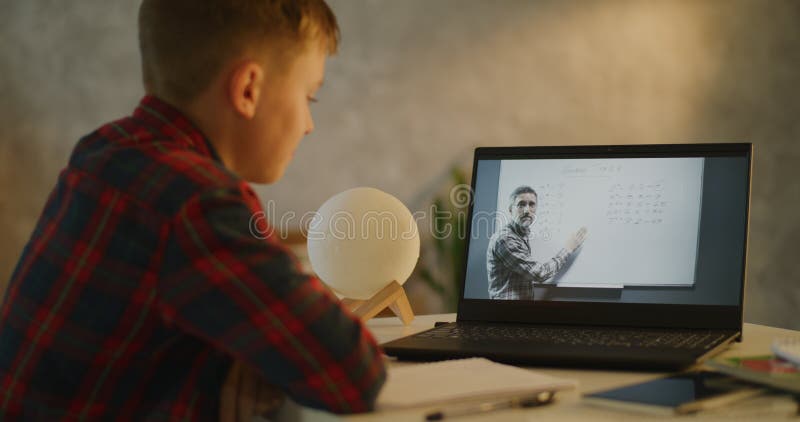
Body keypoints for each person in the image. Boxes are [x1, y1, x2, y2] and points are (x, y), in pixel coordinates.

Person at [0, 1, 386, 420]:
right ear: (248, 90)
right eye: (309, 96)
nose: (309, 124)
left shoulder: (104, 151)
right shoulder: (197, 204)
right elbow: (353, 372)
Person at [487, 185, 587, 300]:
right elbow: (539, 274)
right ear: (510, 209)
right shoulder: (506, 239)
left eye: (532, 204)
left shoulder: (521, 234)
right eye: (521, 204)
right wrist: (568, 248)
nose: (527, 210)